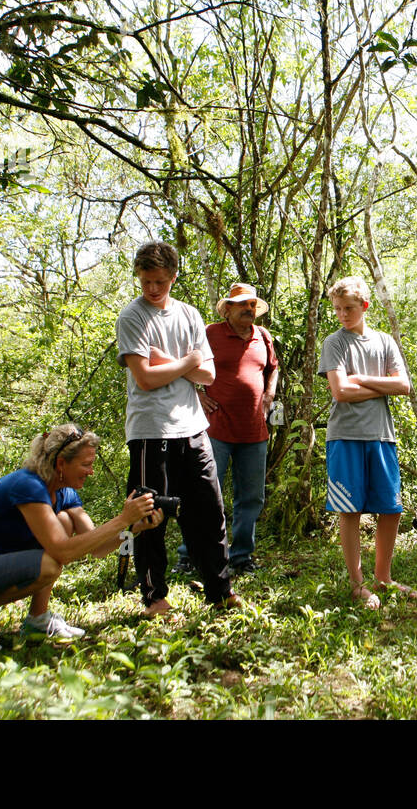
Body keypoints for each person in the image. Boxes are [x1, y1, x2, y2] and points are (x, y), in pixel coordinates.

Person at [0, 424, 160, 652]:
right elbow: (62, 552)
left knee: (65, 522)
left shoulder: (63, 492)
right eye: (86, 464)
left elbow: (95, 547)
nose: (91, 471)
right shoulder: (28, 485)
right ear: (60, 463)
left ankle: (38, 618)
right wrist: (121, 519)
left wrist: (135, 527)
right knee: (48, 565)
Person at [116, 241, 242, 618]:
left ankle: (220, 591)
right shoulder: (132, 318)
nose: (152, 288)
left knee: (209, 511)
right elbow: (146, 378)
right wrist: (188, 363)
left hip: (193, 427)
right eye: (145, 281)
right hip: (150, 431)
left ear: (173, 276)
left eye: (159, 281)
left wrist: (176, 361)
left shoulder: (188, 315)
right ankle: (155, 597)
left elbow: (208, 373)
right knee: (150, 516)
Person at [319, 276, 417, 609]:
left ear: (364, 306)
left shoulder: (384, 341)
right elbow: (340, 392)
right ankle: (356, 584)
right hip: (345, 436)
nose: (342, 315)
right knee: (350, 510)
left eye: (348, 308)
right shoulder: (334, 342)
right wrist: (379, 385)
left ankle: (384, 578)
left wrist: (360, 378)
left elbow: (403, 385)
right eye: (337, 309)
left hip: (382, 435)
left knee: (390, 509)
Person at [198, 281, 279, 576]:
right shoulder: (210, 333)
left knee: (251, 496)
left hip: (254, 431)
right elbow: (188, 364)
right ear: (228, 309)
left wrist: (269, 394)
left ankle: (242, 556)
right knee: (207, 493)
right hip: (216, 429)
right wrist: (198, 393)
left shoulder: (263, 336)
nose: (249, 309)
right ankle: (195, 554)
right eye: (243, 304)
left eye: (252, 304)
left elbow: (274, 367)